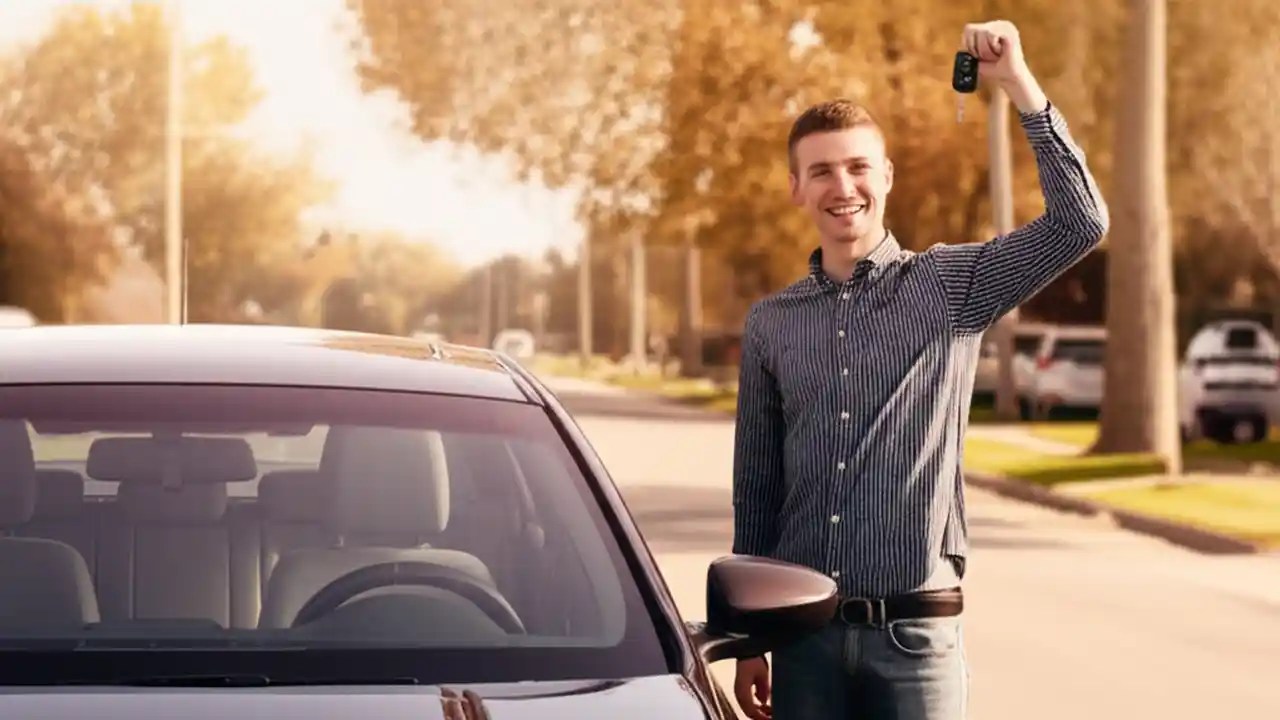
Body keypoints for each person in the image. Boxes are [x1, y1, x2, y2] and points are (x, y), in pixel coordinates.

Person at [730, 19, 1109, 720]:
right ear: (797, 189)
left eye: (857, 167)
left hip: (916, 640)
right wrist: (751, 636)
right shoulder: (771, 324)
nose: (842, 186)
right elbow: (758, 489)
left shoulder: (951, 287)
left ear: (885, 178)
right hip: (803, 644)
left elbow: (1080, 222)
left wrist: (1018, 83)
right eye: (821, 171)